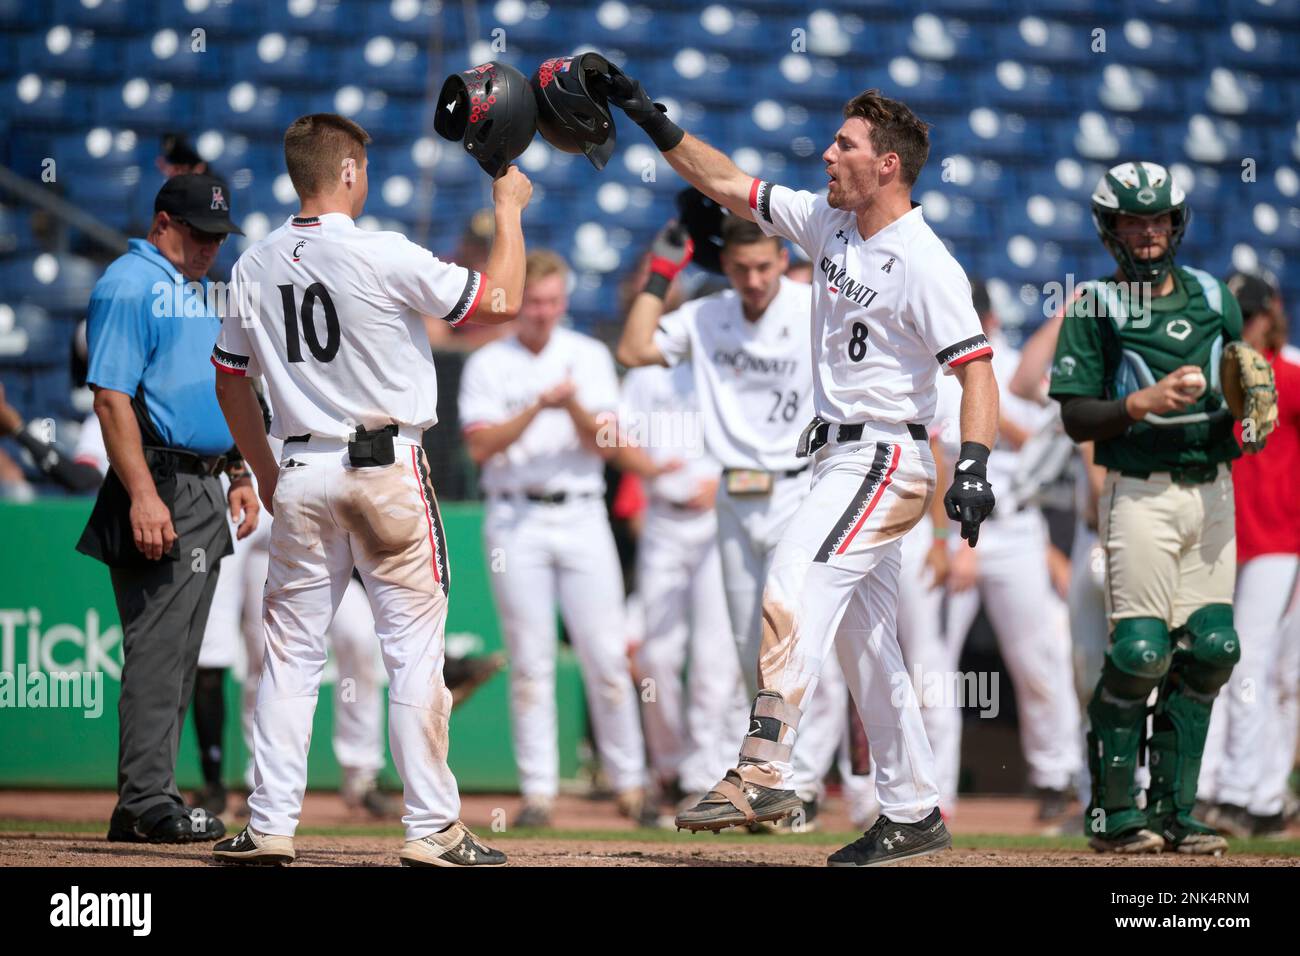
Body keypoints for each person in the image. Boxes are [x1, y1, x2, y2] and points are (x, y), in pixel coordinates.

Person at [605, 73, 999, 866]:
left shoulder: (927, 263)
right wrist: (649, 114)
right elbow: (722, 180)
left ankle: (763, 769)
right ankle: (913, 809)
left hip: (886, 451)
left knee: (790, 579)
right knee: (868, 648)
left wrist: (977, 465)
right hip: (838, 456)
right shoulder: (828, 223)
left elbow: (977, 373)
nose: (828, 153)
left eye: (845, 144)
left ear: (887, 165)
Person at [210, 112, 530, 867]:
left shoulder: (253, 263)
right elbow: (500, 302)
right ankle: (431, 830)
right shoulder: (382, 251)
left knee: (289, 658)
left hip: (297, 469)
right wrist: (509, 210)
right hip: (386, 467)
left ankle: (269, 824)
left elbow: (228, 379)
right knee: (413, 653)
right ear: (349, 172)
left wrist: (261, 468)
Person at [1047, 161, 1262, 855]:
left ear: (1177, 222)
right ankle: (1113, 811)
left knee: (1212, 649)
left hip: (1213, 491)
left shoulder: (1212, 296)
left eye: (1159, 219)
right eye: (1135, 221)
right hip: (1138, 492)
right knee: (1140, 653)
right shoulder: (1092, 306)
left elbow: (1239, 386)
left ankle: (1176, 812)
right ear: (1111, 228)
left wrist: (1252, 417)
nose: (1148, 233)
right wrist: (1138, 403)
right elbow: (1077, 418)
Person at [616, 216, 857, 828]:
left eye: (764, 266)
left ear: (783, 262)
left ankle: (799, 786)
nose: (754, 279)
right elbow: (634, 349)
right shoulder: (707, 315)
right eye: (742, 268)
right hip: (733, 497)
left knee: (793, 641)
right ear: (725, 267)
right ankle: (775, 787)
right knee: (755, 652)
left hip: (798, 489)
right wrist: (662, 274)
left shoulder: (813, 304)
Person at [75, 173, 253, 845]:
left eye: (217, 236)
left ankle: (153, 797)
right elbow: (111, 398)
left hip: (201, 483)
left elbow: (209, 391)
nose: (210, 247)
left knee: (181, 654)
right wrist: (145, 496)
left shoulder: (191, 289)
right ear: (161, 224)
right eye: (198, 234)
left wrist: (235, 468)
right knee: (157, 650)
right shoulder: (128, 283)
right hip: (158, 479)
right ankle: (146, 801)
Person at [457, 250, 648, 829]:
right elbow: (480, 447)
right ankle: (538, 790)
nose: (540, 312)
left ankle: (631, 784)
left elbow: (611, 442)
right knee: (531, 661)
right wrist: (542, 405)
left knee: (608, 656)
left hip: (583, 510)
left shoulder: (587, 355)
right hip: (516, 515)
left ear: (563, 301)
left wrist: (574, 409)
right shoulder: (489, 362)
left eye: (550, 301)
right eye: (532, 302)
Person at [939, 281, 1083, 822]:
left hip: (1016, 527)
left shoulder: (1018, 364)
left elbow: (1043, 423)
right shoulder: (924, 366)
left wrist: (1065, 314)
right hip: (951, 531)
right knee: (930, 667)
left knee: (1038, 658)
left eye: (979, 318)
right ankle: (931, 795)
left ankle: (1055, 777)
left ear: (992, 320)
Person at [618, 360, 743, 817]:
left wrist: (728, 481)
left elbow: (758, 439)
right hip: (661, 518)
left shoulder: (726, 365)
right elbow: (615, 438)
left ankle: (704, 775)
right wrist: (649, 466)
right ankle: (670, 767)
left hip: (718, 520)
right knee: (655, 656)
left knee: (715, 658)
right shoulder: (642, 375)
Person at [1200, 273, 1300, 838]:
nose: (1243, 324)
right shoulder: (1217, 381)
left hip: (1279, 542)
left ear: (1267, 315)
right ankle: (1250, 793)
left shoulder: (1289, 375)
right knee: (1224, 662)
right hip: (1225, 539)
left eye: (1250, 314)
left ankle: (1245, 794)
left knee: (1251, 661)